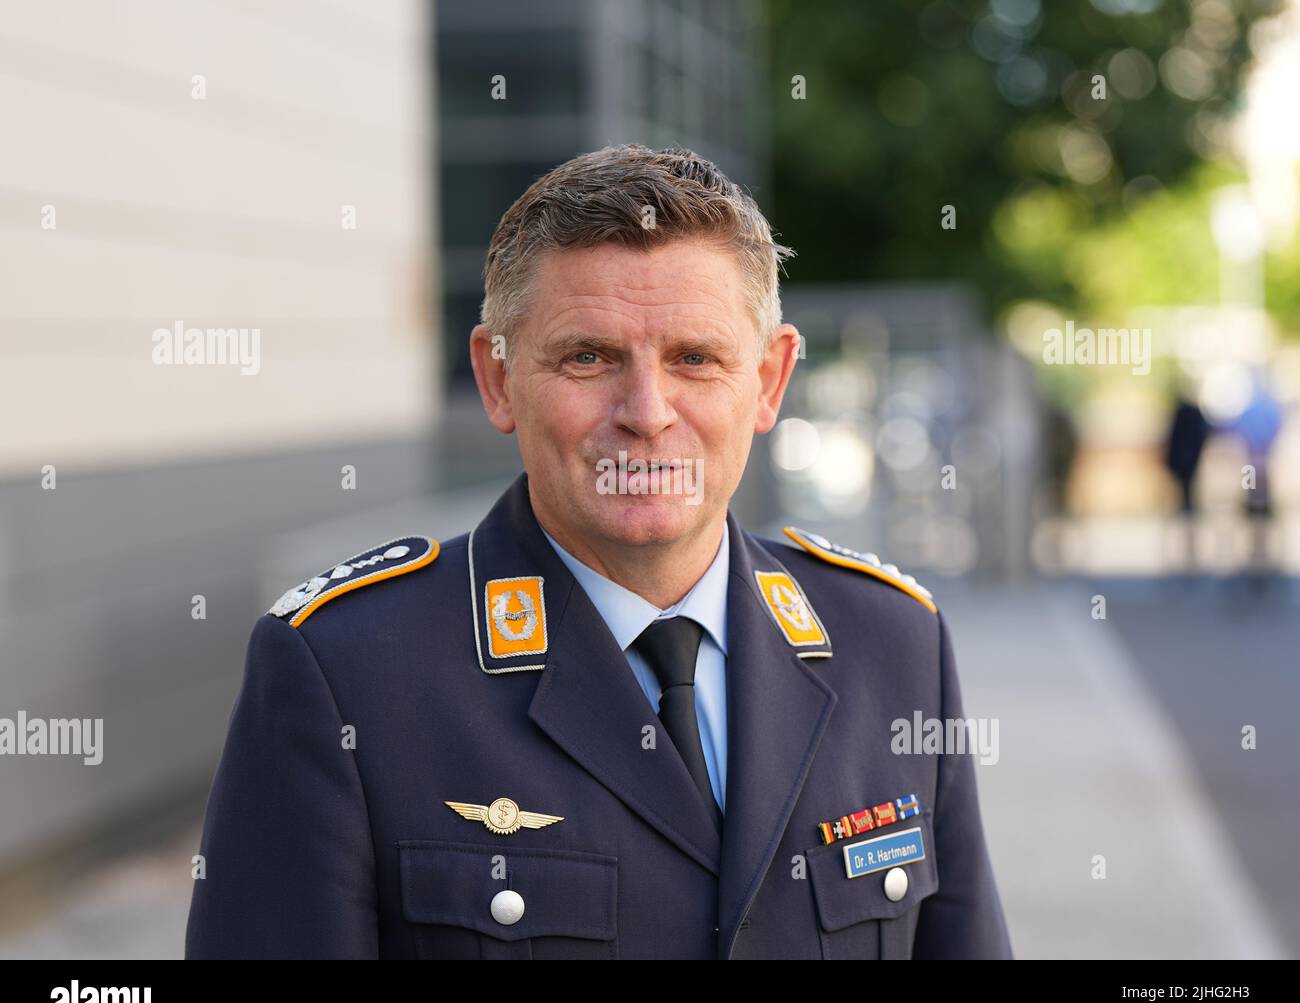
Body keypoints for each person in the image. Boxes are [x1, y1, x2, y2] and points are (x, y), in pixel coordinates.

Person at [185, 144, 1012, 960]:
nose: (647, 412)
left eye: (695, 358)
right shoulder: (345, 673)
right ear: (498, 379)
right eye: (589, 358)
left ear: (768, 379)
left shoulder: (893, 645)